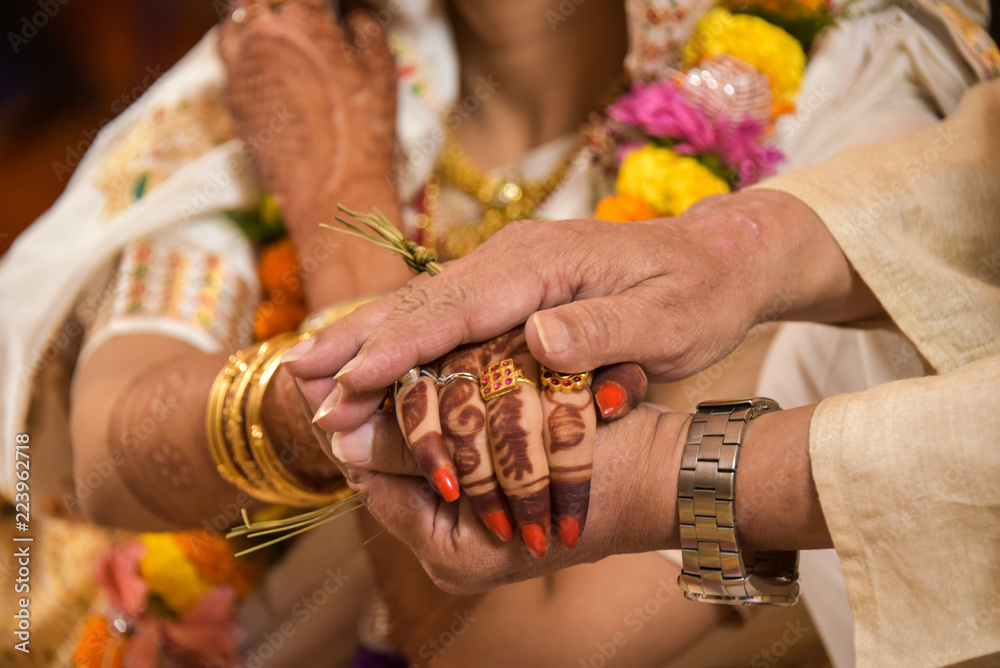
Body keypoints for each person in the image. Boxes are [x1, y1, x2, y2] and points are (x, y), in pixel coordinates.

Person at [0, 0, 994, 665]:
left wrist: (345, 238)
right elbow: (110, 455)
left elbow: (516, 649)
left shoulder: (843, 99)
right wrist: (377, 373)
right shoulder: (297, 57)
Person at [287, 77, 1000, 666]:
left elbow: (515, 651)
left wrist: (667, 474)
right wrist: (729, 251)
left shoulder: (852, 80)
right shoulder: (350, 84)